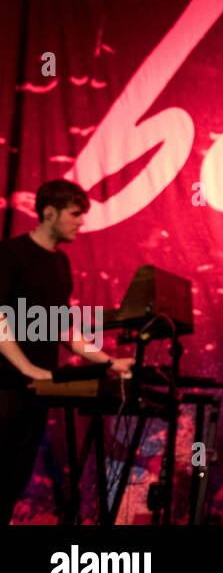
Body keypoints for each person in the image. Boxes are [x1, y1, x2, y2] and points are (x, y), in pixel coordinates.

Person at [0, 180, 132, 523]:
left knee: (14, 479)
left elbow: (63, 328)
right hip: (5, 385)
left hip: (37, 387)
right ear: (49, 213)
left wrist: (109, 362)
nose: (81, 222)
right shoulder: (10, 255)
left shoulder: (60, 265)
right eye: (75, 214)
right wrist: (27, 368)